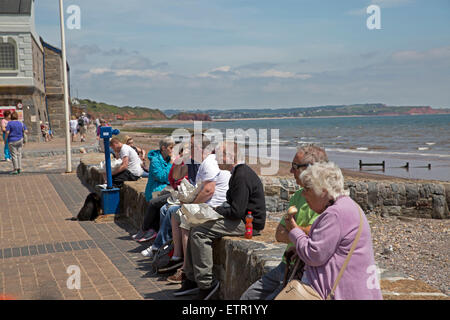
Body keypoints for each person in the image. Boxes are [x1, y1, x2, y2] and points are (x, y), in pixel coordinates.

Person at [174, 141, 266, 300]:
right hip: (243, 219)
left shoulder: (241, 175)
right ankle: (191, 277)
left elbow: (237, 211)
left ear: (229, 156)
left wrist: (216, 210)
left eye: (218, 155)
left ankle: (206, 285)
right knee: (194, 225)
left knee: (199, 233)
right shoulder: (237, 173)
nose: (215, 159)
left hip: (250, 224)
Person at [240, 144, 328, 300]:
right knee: (247, 297)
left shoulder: (324, 198)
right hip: (285, 264)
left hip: (302, 271)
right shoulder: (297, 196)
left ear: (310, 169)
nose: (291, 171)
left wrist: (293, 229)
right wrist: (300, 231)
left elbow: (316, 233)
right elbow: (279, 234)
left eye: (295, 166)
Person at [284, 161, 382, 300]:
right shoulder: (347, 206)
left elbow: (314, 255)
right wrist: (299, 248)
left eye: (307, 189)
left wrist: (294, 231)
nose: (304, 195)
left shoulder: (335, 214)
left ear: (323, 191)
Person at [158, 140, 231, 280]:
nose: (187, 149)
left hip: (215, 205)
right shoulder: (198, 162)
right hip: (207, 203)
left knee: (184, 218)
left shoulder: (209, 163)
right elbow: (176, 176)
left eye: (190, 147)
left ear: (198, 147)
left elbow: (209, 190)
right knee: (175, 214)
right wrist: (181, 159)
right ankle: (177, 256)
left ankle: (186, 269)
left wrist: (192, 205)